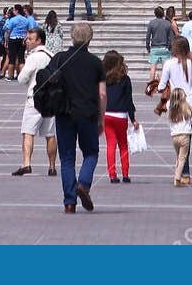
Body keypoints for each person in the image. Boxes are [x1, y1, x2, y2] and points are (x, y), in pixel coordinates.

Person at [44, 21, 106, 214]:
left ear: (71, 36)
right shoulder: (96, 63)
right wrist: (101, 119)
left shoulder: (60, 58)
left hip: (64, 114)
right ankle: (84, 184)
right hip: (87, 114)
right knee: (91, 153)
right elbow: (102, 94)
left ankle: (69, 202)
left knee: (67, 159)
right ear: (90, 39)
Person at [12, 25, 58, 177]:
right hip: (51, 100)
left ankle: (26, 163)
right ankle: (52, 166)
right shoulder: (52, 56)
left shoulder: (33, 57)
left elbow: (21, 78)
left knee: (28, 132)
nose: (27, 41)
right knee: (50, 134)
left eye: (30, 39)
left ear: (39, 40)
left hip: (34, 100)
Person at [156, 38, 192, 185]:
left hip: (175, 102)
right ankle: (183, 171)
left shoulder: (169, 64)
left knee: (177, 135)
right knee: (187, 137)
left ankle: (182, 171)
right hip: (190, 102)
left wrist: (159, 84)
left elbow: (161, 86)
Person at [102, 48, 137, 183]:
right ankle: (125, 174)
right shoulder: (125, 79)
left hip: (106, 114)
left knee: (111, 144)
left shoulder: (102, 78)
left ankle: (112, 174)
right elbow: (129, 101)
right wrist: (133, 118)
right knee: (123, 145)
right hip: (121, 115)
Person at [168, 86, 192, 188]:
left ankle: (176, 174)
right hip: (185, 135)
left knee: (178, 157)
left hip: (174, 136)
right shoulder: (186, 107)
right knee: (182, 158)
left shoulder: (171, 110)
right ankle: (177, 178)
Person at [145, 6, 174, 86]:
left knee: (153, 66)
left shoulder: (151, 23)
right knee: (165, 68)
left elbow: (148, 36)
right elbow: (171, 37)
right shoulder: (168, 23)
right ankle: (164, 84)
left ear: (155, 14)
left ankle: (151, 84)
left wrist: (148, 46)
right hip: (165, 47)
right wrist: (169, 46)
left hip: (154, 47)